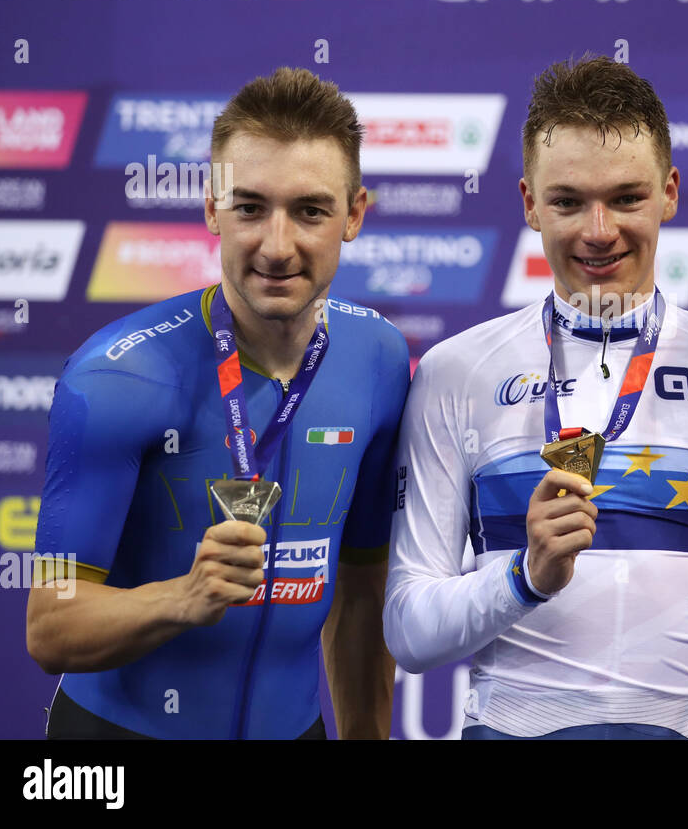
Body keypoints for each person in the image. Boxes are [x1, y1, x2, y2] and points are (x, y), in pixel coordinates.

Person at [383, 56, 688, 739]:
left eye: (626, 197)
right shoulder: (456, 372)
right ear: (530, 202)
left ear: (670, 192)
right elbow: (410, 631)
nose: (598, 231)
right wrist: (523, 577)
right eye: (567, 201)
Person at [26, 68, 409, 739]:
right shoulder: (117, 376)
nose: (277, 245)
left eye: (310, 210)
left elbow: (360, 596)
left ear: (354, 215)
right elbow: (50, 624)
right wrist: (182, 597)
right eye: (250, 207)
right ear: (212, 208)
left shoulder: (378, 361)